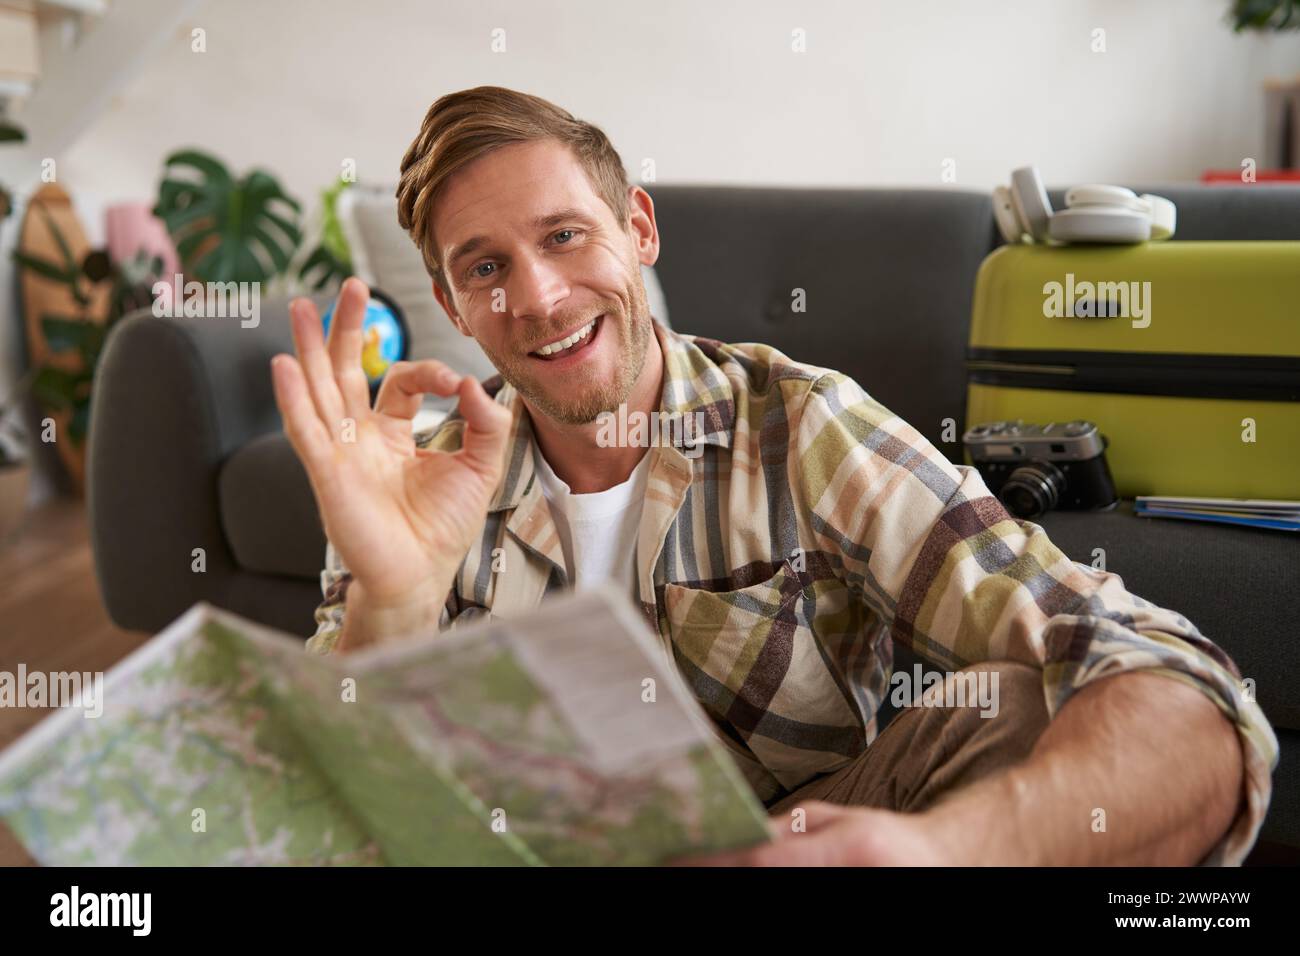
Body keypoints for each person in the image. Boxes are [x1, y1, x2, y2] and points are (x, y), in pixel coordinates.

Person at [270, 86, 1276, 866]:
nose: (535, 296)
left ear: (639, 230)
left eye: (564, 235)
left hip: (787, 853)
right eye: (484, 268)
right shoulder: (414, 474)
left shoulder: (799, 421)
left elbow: (1165, 673)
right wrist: (392, 598)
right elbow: (330, 799)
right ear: (449, 298)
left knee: (1016, 702)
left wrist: (940, 848)